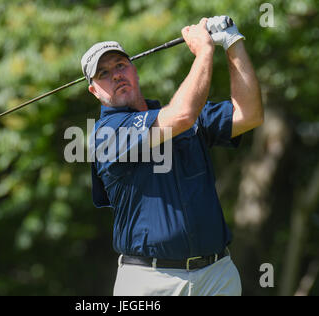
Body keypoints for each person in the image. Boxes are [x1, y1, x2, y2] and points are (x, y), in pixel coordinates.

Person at [81, 16, 263, 296]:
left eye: (120, 65)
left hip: (217, 275)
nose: (116, 74)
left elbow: (249, 115)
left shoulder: (182, 118)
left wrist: (232, 43)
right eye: (103, 73)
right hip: (151, 281)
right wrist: (204, 51)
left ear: (134, 70)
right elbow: (182, 115)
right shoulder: (107, 134)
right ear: (94, 91)